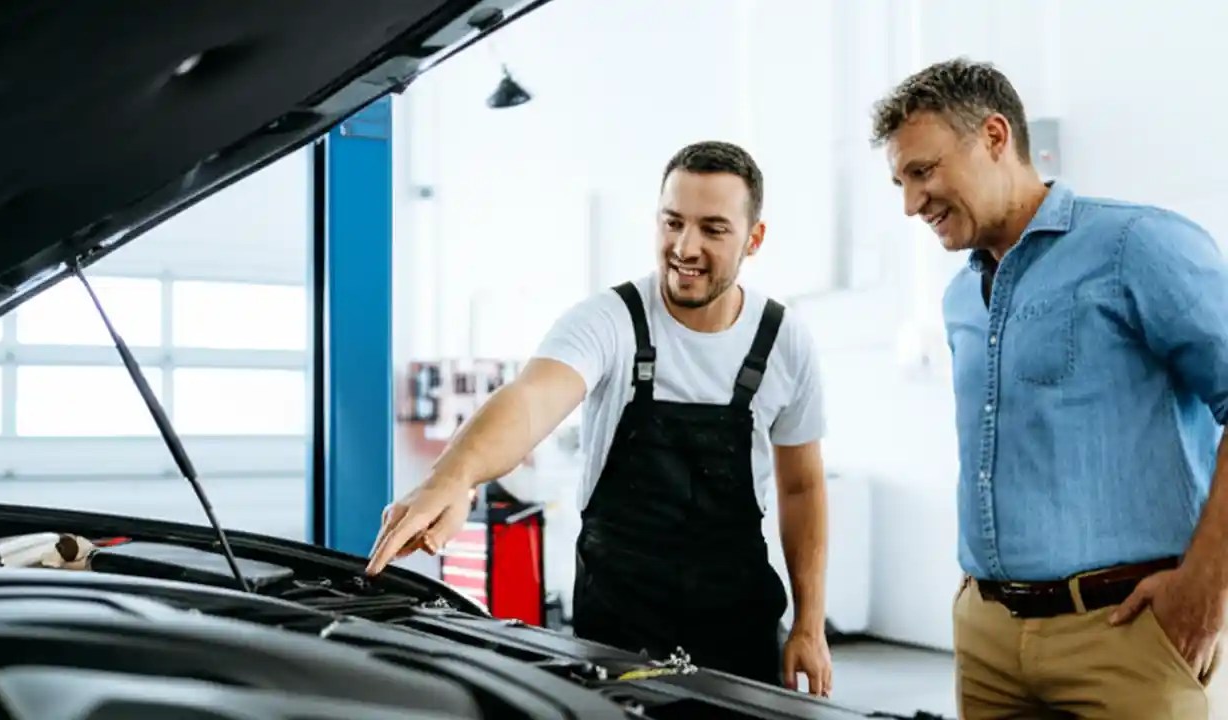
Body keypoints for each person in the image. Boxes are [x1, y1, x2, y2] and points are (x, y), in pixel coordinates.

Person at [365, 140, 833, 694]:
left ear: (753, 239)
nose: (684, 246)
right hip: (619, 618)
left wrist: (809, 623)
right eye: (672, 222)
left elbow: (801, 487)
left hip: (739, 617)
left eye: (713, 229)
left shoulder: (784, 340)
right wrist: (454, 474)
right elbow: (533, 397)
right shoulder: (611, 320)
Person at [870, 56, 1228, 718]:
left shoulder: (1136, 246)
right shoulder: (959, 300)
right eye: (899, 180)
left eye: (922, 171)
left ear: (996, 137)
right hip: (988, 637)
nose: (910, 202)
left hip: (1125, 632)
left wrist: (1208, 586)